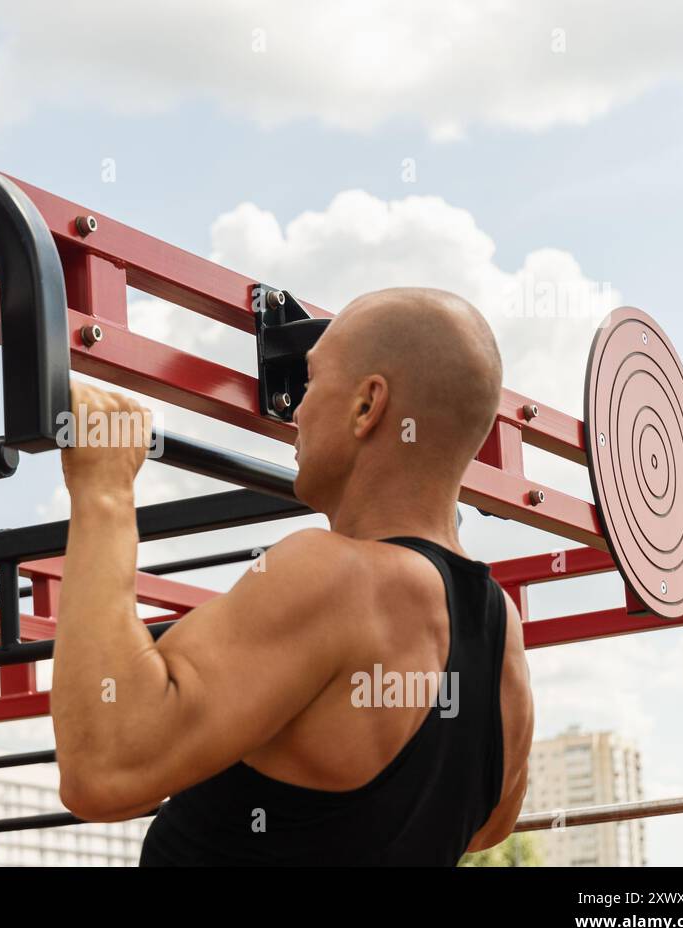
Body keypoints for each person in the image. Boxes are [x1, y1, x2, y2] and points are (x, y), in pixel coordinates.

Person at [49, 287, 534, 865]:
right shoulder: (503, 639)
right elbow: (489, 829)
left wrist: (104, 488)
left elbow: (102, 767)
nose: (297, 411)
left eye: (311, 381)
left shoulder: (337, 576)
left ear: (366, 405)